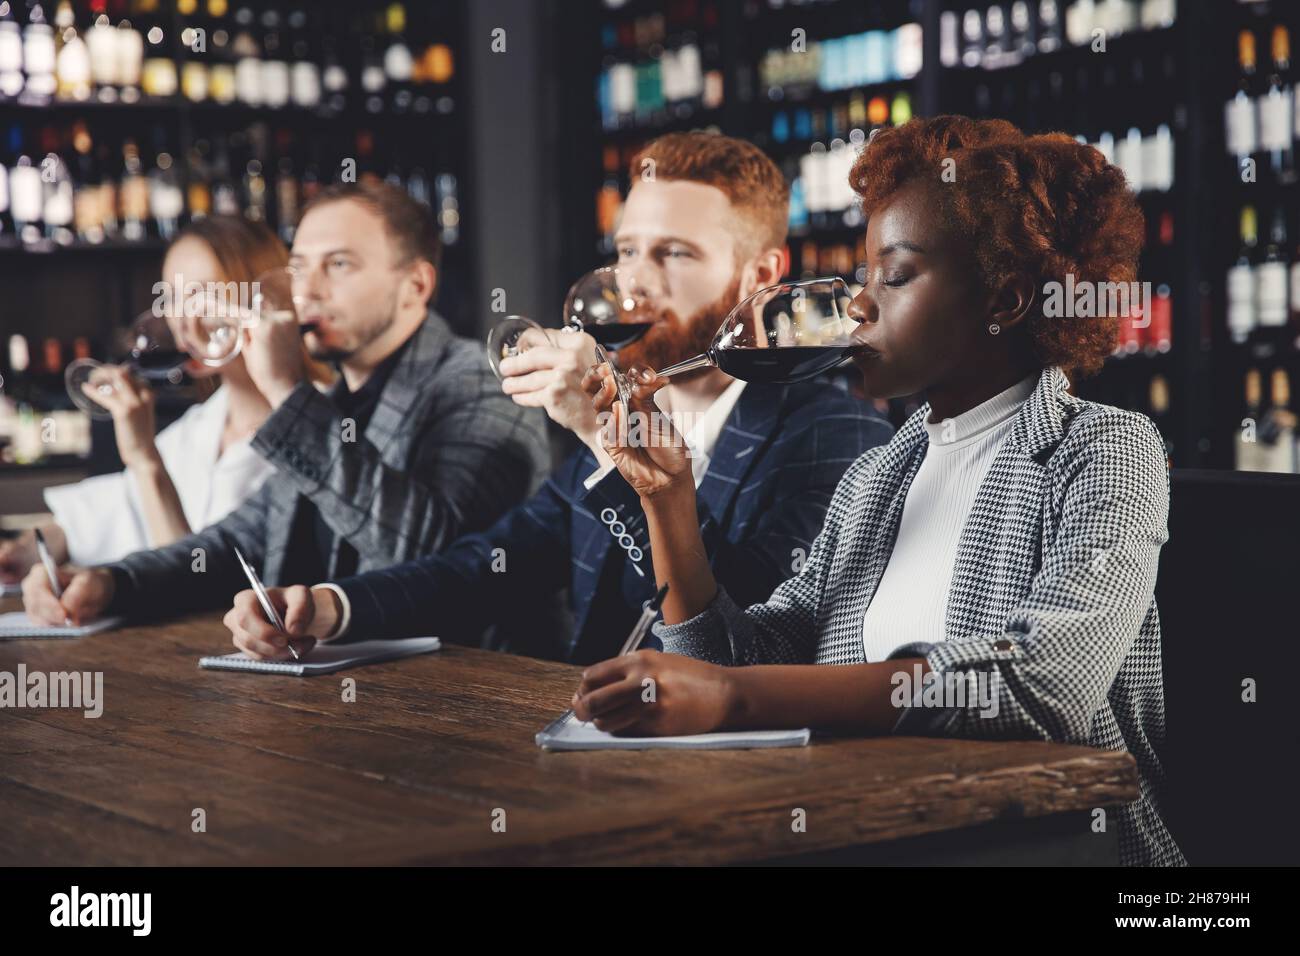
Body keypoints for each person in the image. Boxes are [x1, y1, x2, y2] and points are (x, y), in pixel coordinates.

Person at [574, 116, 1185, 867]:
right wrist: (668, 505)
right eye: (862, 277)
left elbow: (1043, 684)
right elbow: (741, 656)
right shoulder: (878, 477)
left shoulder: (1102, 450)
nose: (857, 307)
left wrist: (737, 700)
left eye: (893, 277)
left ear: (1008, 300)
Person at [221, 131, 893, 664]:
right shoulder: (625, 407)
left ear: (763, 273)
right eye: (627, 250)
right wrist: (331, 608)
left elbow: (732, 627)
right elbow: (487, 565)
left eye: (676, 255)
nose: (638, 281)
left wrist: (604, 436)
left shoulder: (835, 437)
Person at [22, 181, 550, 626]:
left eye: (339, 265)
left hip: (471, 701)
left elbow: (430, 554)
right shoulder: (341, 399)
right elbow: (240, 541)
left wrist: (285, 394)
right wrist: (113, 583)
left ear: (416, 285)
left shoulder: (482, 383)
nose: (307, 290)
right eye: (299, 266)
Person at [0, 216, 322, 581]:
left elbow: (192, 579)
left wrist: (145, 459)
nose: (182, 320)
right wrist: (26, 549)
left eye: (202, 296)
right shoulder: (199, 428)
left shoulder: (317, 428)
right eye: (172, 298)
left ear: (261, 299)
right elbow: (108, 512)